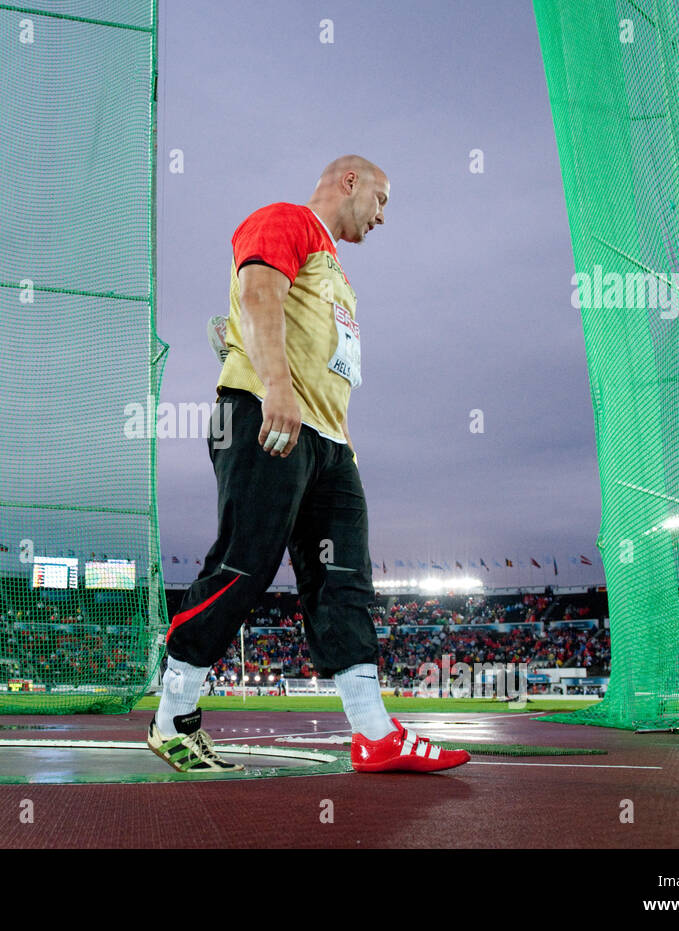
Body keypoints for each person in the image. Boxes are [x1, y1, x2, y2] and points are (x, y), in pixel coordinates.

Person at [147, 154, 469, 773]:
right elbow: (258, 289)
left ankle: (374, 733)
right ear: (350, 181)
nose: (383, 217)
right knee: (246, 565)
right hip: (267, 414)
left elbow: (296, 334)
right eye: (382, 199)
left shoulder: (336, 273)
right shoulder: (286, 220)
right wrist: (275, 385)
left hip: (329, 442)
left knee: (344, 581)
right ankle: (173, 713)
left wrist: (337, 440)